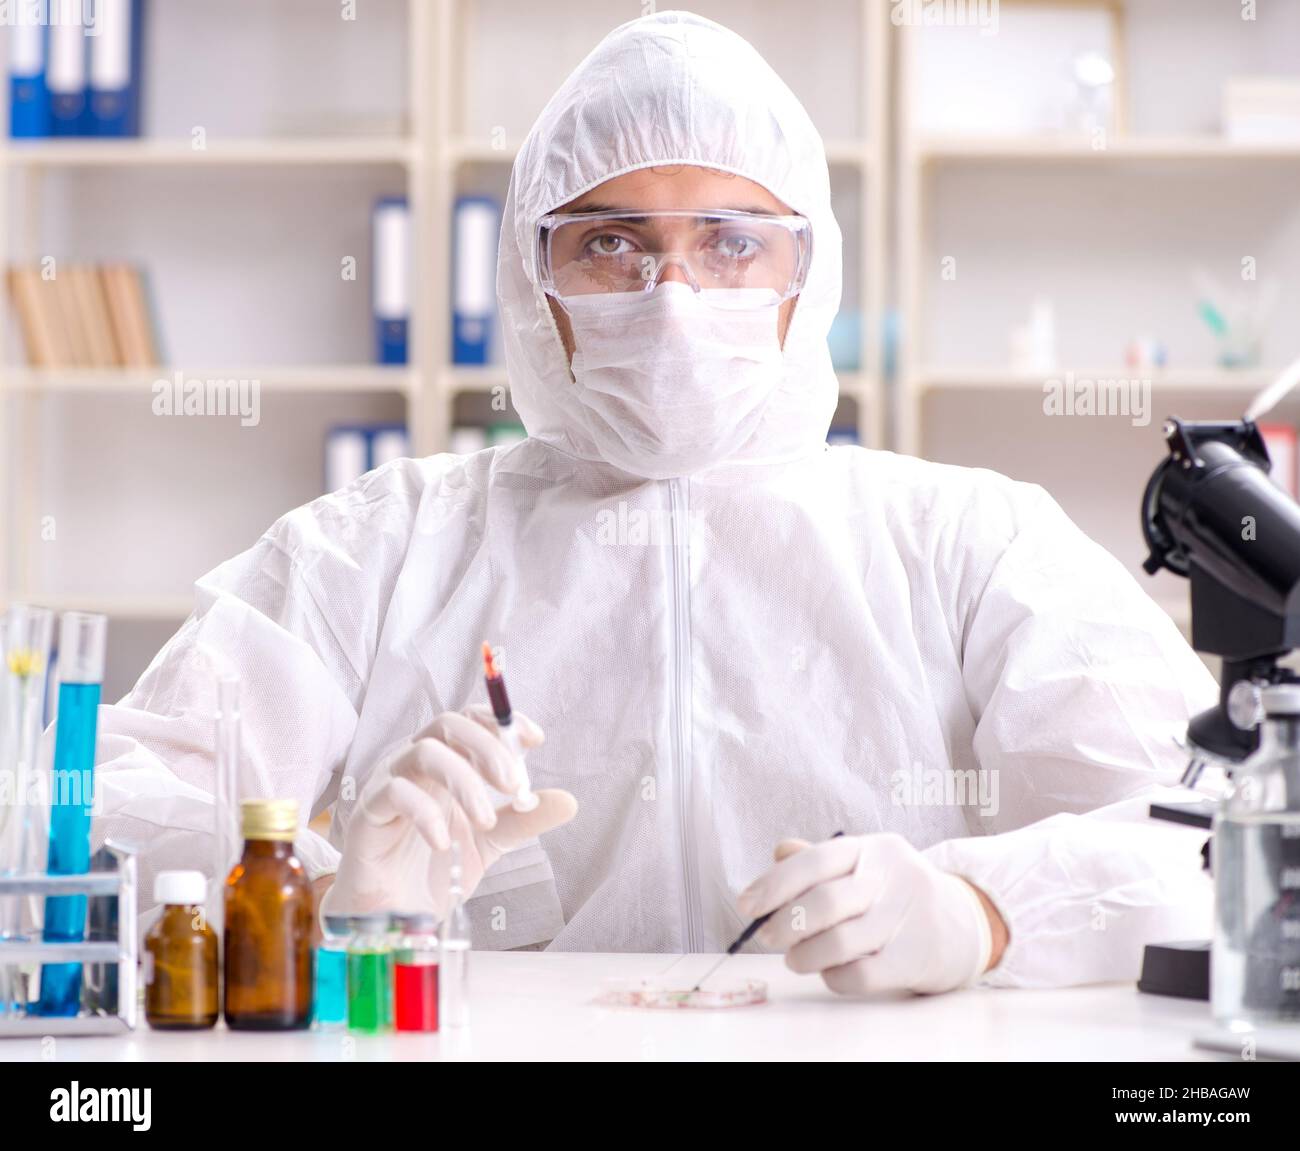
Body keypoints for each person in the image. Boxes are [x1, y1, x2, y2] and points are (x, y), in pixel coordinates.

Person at [90, 10, 1216, 994]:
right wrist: (338, 900)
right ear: (536, 284)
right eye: (611, 242)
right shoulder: (374, 547)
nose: (671, 299)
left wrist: (982, 911)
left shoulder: (967, 542)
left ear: (805, 275)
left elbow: (1213, 827)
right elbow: (112, 813)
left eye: (731, 242)